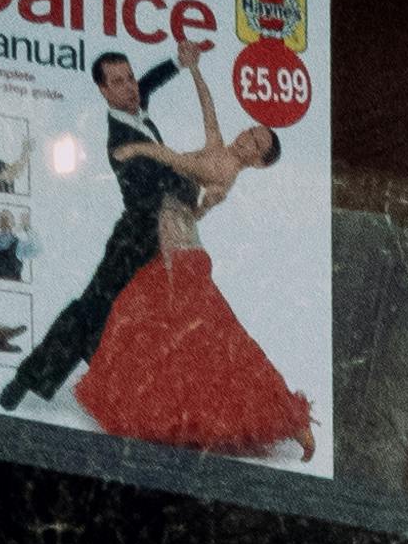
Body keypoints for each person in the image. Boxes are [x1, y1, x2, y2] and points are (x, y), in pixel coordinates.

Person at [1, 44, 276, 423]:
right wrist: (196, 187)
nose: (130, 87)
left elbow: (150, 84)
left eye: (130, 78)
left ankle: (129, 393)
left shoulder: (135, 103)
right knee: (94, 310)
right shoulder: (119, 142)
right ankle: (35, 379)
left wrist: (181, 63)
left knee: (148, 323)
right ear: (103, 90)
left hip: (171, 241)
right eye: (118, 82)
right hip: (137, 238)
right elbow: (164, 185)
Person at [74, 150, 314, 460]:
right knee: (191, 343)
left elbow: (177, 206)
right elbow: (178, 220)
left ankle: (280, 416)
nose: (250, 135)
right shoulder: (188, 184)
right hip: (174, 267)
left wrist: (140, 151)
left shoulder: (203, 178)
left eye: (258, 142)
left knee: (216, 343)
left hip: (183, 268)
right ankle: (267, 415)